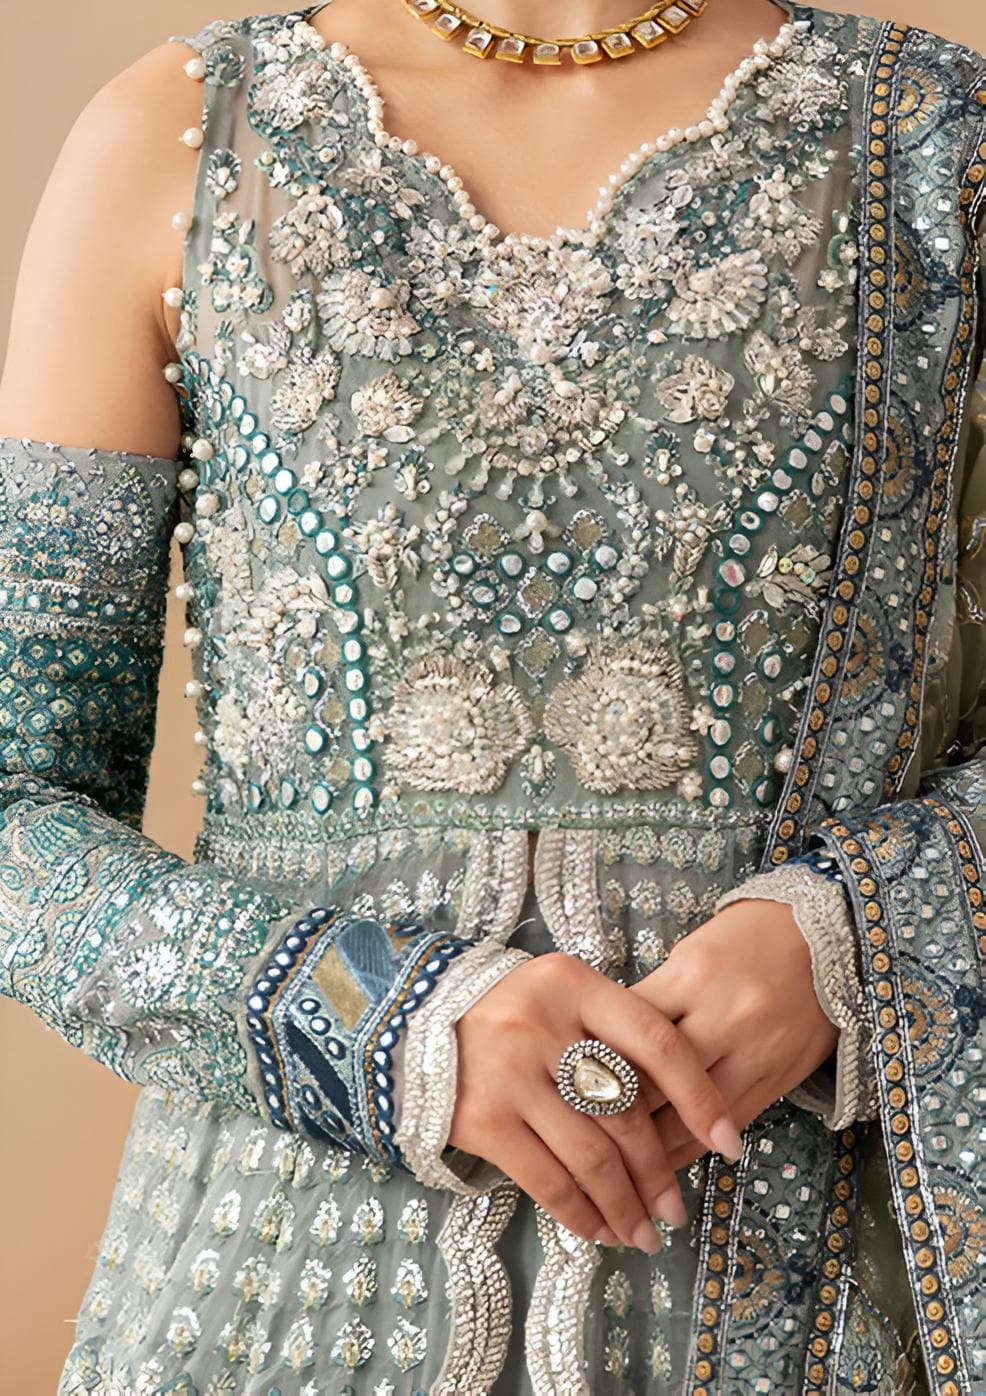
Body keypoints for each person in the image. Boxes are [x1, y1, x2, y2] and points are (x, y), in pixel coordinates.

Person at [0, 0, 982, 1388]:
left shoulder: (934, 142)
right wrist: (372, 1019)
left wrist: (848, 940)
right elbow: (14, 804)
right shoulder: (179, 134)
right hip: (277, 1298)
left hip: (797, 1288)